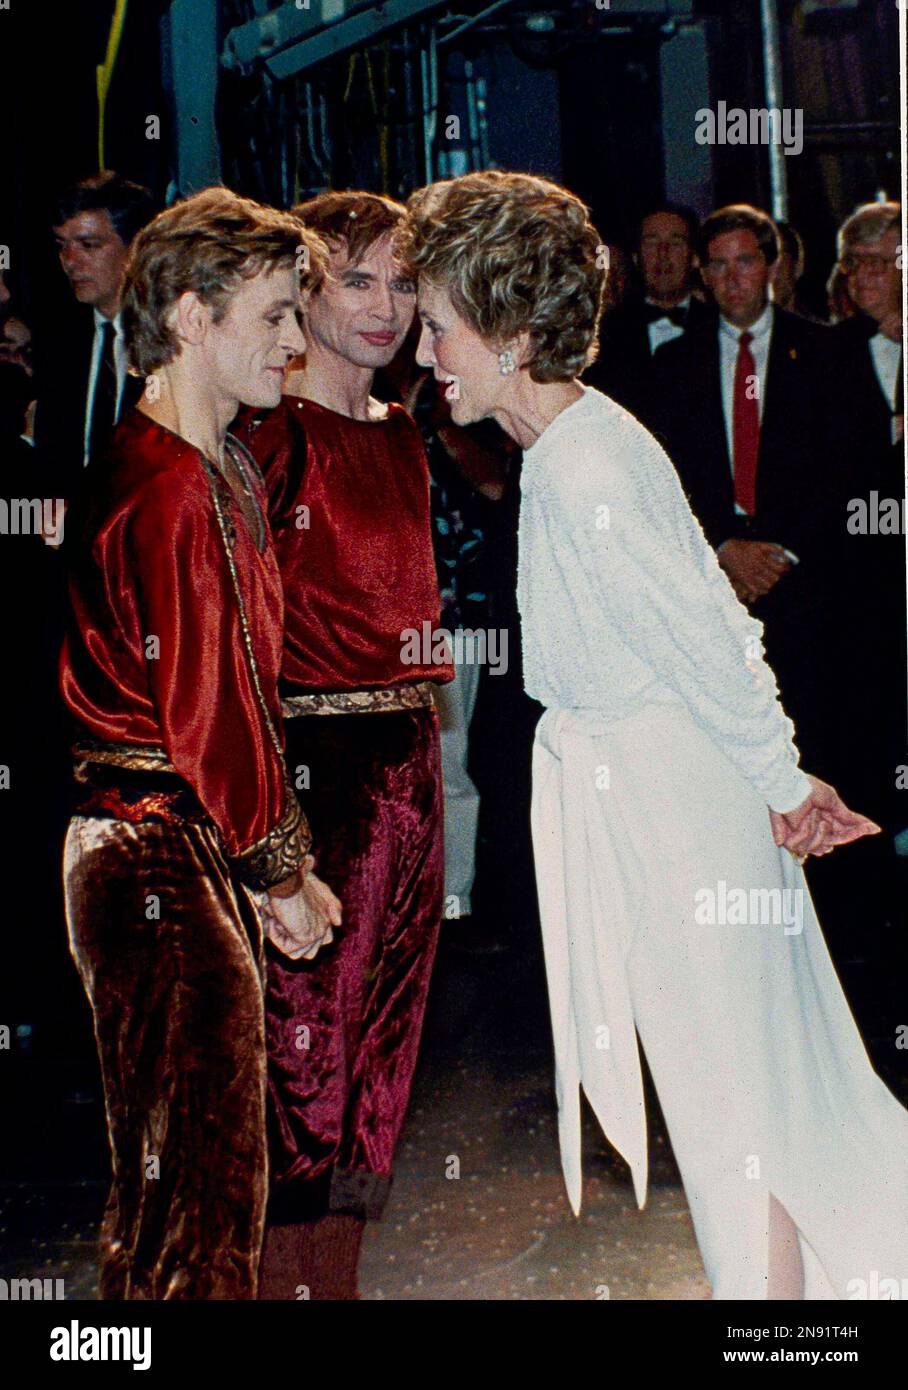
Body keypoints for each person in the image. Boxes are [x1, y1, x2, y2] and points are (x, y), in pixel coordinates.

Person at [398, 168, 908, 1300]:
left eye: (437, 325)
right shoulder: (571, 445)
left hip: (678, 815)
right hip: (655, 801)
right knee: (744, 1098)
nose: (422, 353)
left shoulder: (582, 464)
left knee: (741, 1104)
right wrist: (780, 776)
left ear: (510, 327)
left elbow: (709, 638)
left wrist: (784, 780)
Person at [60, 187, 340, 1300]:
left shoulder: (205, 465)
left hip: (165, 851)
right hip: (154, 858)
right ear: (188, 318)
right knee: (203, 1199)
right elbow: (210, 710)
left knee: (168, 1190)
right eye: (273, 314)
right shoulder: (175, 485)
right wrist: (283, 871)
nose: (293, 339)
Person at [234, 191, 452, 1300]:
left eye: (405, 282)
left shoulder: (405, 429)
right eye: (356, 280)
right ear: (303, 290)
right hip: (319, 779)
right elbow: (230, 647)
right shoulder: (268, 436)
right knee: (301, 1056)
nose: (385, 306)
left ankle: (336, 1288)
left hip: (412, 765)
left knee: (379, 1054)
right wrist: (273, 839)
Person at [647, 205, 850, 785]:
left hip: (802, 580)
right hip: (712, 580)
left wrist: (785, 550)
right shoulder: (671, 364)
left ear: (771, 265)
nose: (733, 277)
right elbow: (663, 476)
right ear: (702, 276)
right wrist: (720, 546)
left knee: (813, 747)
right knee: (723, 758)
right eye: (718, 265)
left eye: (745, 261)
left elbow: (848, 474)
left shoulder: (827, 354)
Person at [33, 171, 157, 499]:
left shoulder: (169, 341)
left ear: (137, 247)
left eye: (89, 245)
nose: (70, 263)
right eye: (61, 246)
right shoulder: (59, 339)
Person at [584, 205, 712, 415]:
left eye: (676, 242)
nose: (663, 253)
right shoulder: (604, 334)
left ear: (695, 258)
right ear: (636, 257)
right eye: (651, 242)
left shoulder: (720, 327)